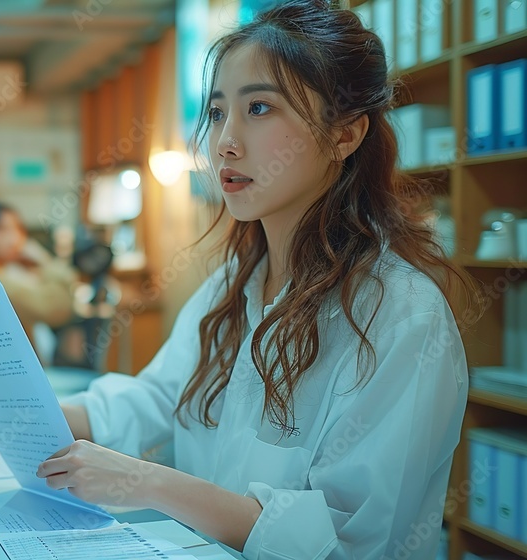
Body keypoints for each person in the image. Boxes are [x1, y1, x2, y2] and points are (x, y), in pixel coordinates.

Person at [36, 1, 477, 558]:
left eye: (260, 108)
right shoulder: (231, 286)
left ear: (345, 134)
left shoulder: (401, 316)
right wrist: (29, 409)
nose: (225, 141)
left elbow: (345, 541)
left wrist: (146, 481)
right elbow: (156, 399)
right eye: (218, 112)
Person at [0, 201, 77, 353]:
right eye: (3, 230)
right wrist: (44, 261)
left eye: (18, 228)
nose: (14, 238)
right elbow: (56, 310)